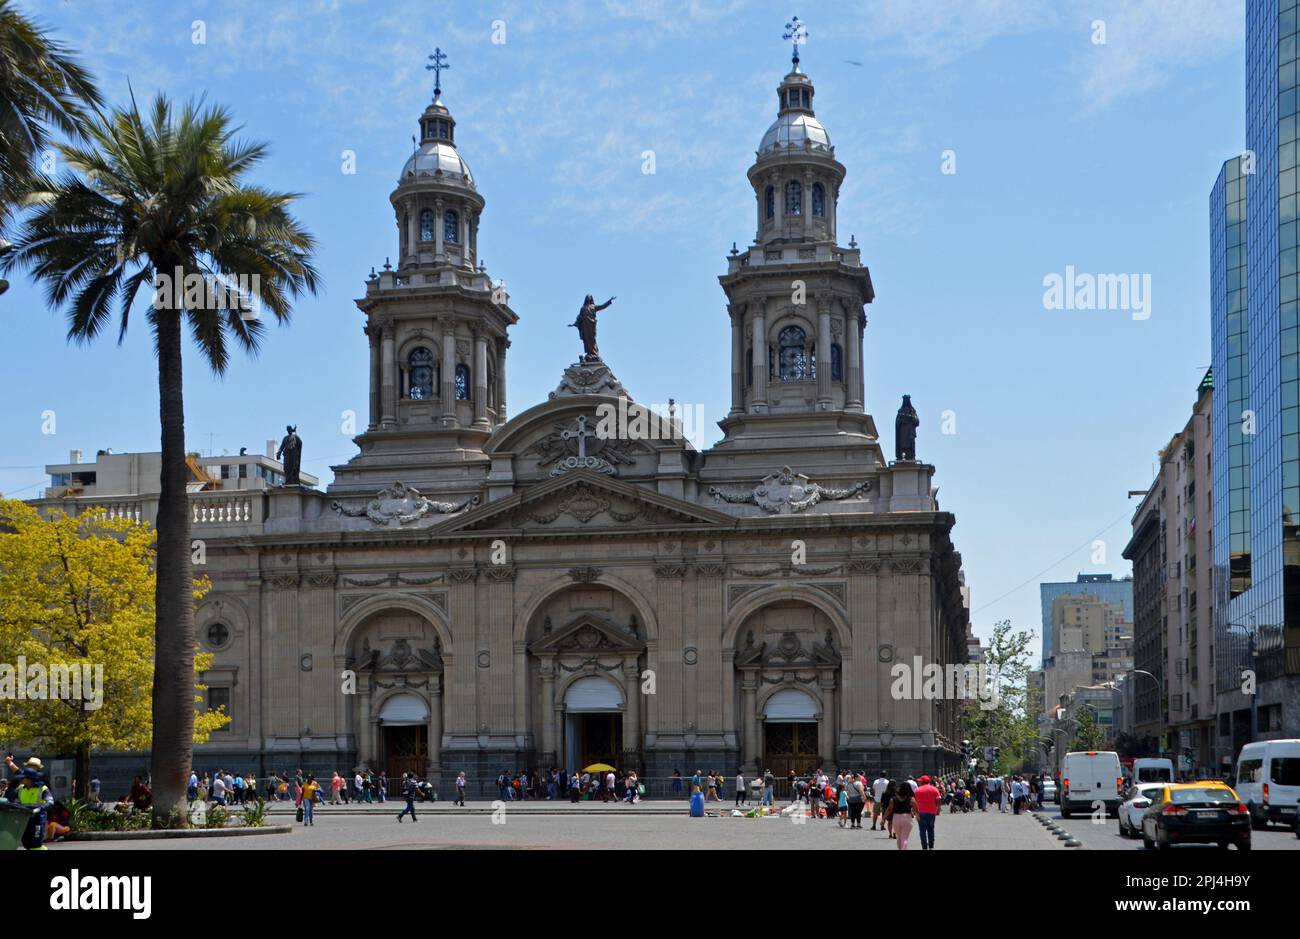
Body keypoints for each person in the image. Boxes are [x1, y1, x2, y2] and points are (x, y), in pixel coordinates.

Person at [11, 768, 53, 850]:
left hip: (37, 819)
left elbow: (50, 802)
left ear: (30, 779)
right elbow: (14, 802)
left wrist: (39, 809)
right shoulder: (20, 789)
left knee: (35, 843)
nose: (21, 779)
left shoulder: (42, 788)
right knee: (26, 843)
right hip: (24, 819)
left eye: (23, 777)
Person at [885, 781, 918, 850]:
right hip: (907, 818)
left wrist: (883, 819)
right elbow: (916, 810)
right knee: (904, 838)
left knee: (899, 837)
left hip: (896, 818)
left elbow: (889, 809)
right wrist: (918, 818)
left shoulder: (893, 799)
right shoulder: (911, 799)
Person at [913, 775, 941, 850]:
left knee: (922, 830)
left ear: (922, 782)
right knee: (931, 829)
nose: (918, 782)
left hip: (920, 813)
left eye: (919, 781)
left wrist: (915, 813)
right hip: (932, 812)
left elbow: (913, 802)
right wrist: (938, 809)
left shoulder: (917, 790)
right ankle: (931, 846)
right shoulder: (934, 789)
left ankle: (924, 847)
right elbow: (938, 800)